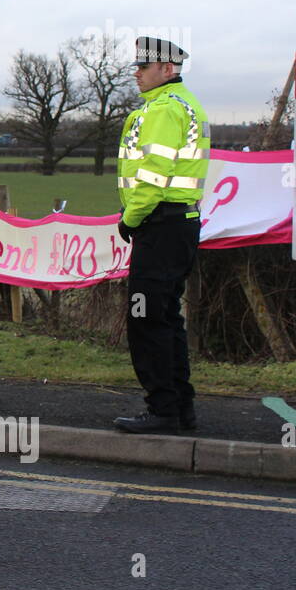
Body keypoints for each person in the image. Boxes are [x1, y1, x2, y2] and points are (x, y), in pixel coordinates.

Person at [113, 37, 210, 434]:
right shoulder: (185, 103)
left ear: (166, 70)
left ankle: (163, 410)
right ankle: (178, 407)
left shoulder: (164, 109)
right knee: (167, 318)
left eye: (143, 66)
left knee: (147, 318)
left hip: (159, 223)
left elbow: (153, 176)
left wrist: (131, 218)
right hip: (178, 224)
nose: (135, 72)